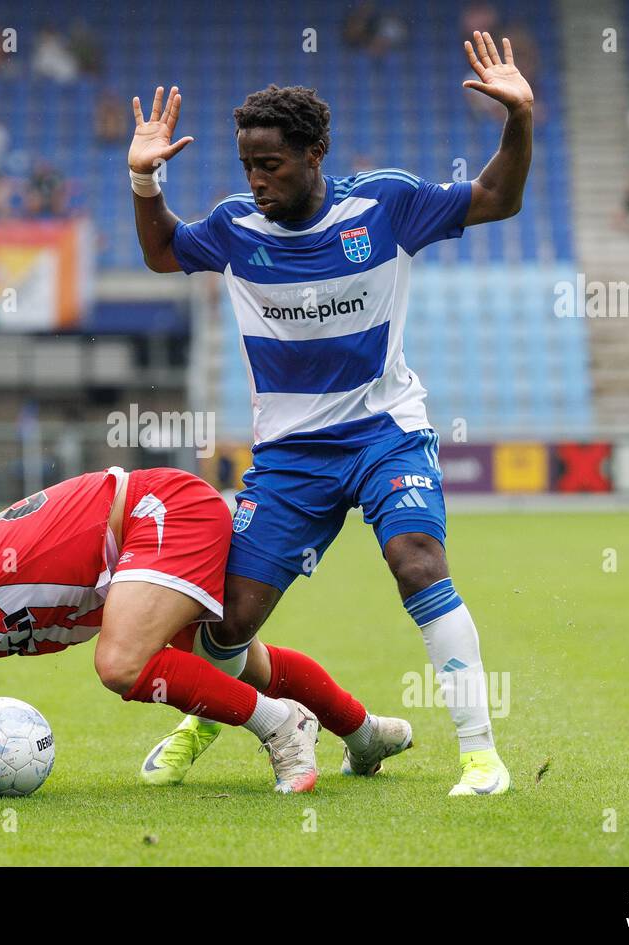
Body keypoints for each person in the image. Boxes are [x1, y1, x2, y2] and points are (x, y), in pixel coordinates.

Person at [127, 31, 533, 796]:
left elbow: (498, 199)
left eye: (270, 165)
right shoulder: (235, 230)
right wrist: (146, 183)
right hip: (290, 456)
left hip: (386, 434)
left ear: (316, 154)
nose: (256, 182)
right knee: (229, 622)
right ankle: (207, 721)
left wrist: (518, 119)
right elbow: (160, 253)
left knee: (416, 560)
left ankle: (481, 754)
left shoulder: (385, 204)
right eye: (247, 165)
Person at [0, 467, 412, 803]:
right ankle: (364, 733)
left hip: (158, 510)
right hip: (136, 557)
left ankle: (281, 726)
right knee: (229, 660)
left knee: (120, 663)